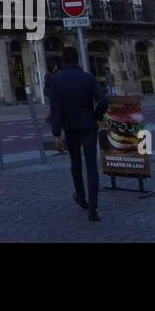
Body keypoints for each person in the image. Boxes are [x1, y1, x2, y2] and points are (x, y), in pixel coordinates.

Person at [49, 46, 109, 223]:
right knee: (91, 165)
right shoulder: (88, 78)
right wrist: (97, 115)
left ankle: (81, 198)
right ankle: (93, 209)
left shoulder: (57, 80)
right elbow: (103, 99)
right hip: (88, 126)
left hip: (71, 128)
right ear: (77, 60)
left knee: (75, 163)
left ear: (64, 60)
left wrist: (56, 132)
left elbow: (56, 108)